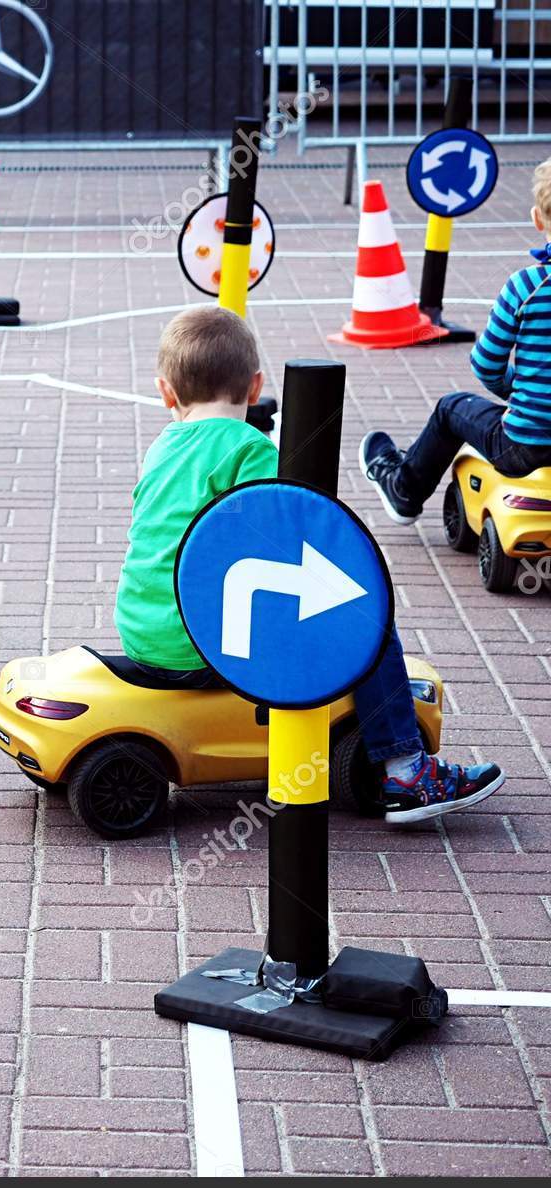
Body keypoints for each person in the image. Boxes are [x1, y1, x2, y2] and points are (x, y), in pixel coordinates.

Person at [116, 306, 503, 823]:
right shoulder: (251, 448)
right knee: (368, 621)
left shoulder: (161, 447)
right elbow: (289, 533)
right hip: (202, 643)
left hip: (144, 632)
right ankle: (407, 770)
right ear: (255, 388)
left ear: (166, 393)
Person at [361, 157, 551, 523]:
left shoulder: (526, 287)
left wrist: (519, 393)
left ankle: (404, 489)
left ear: (537, 219)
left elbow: (486, 364)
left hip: (525, 447)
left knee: (451, 408)